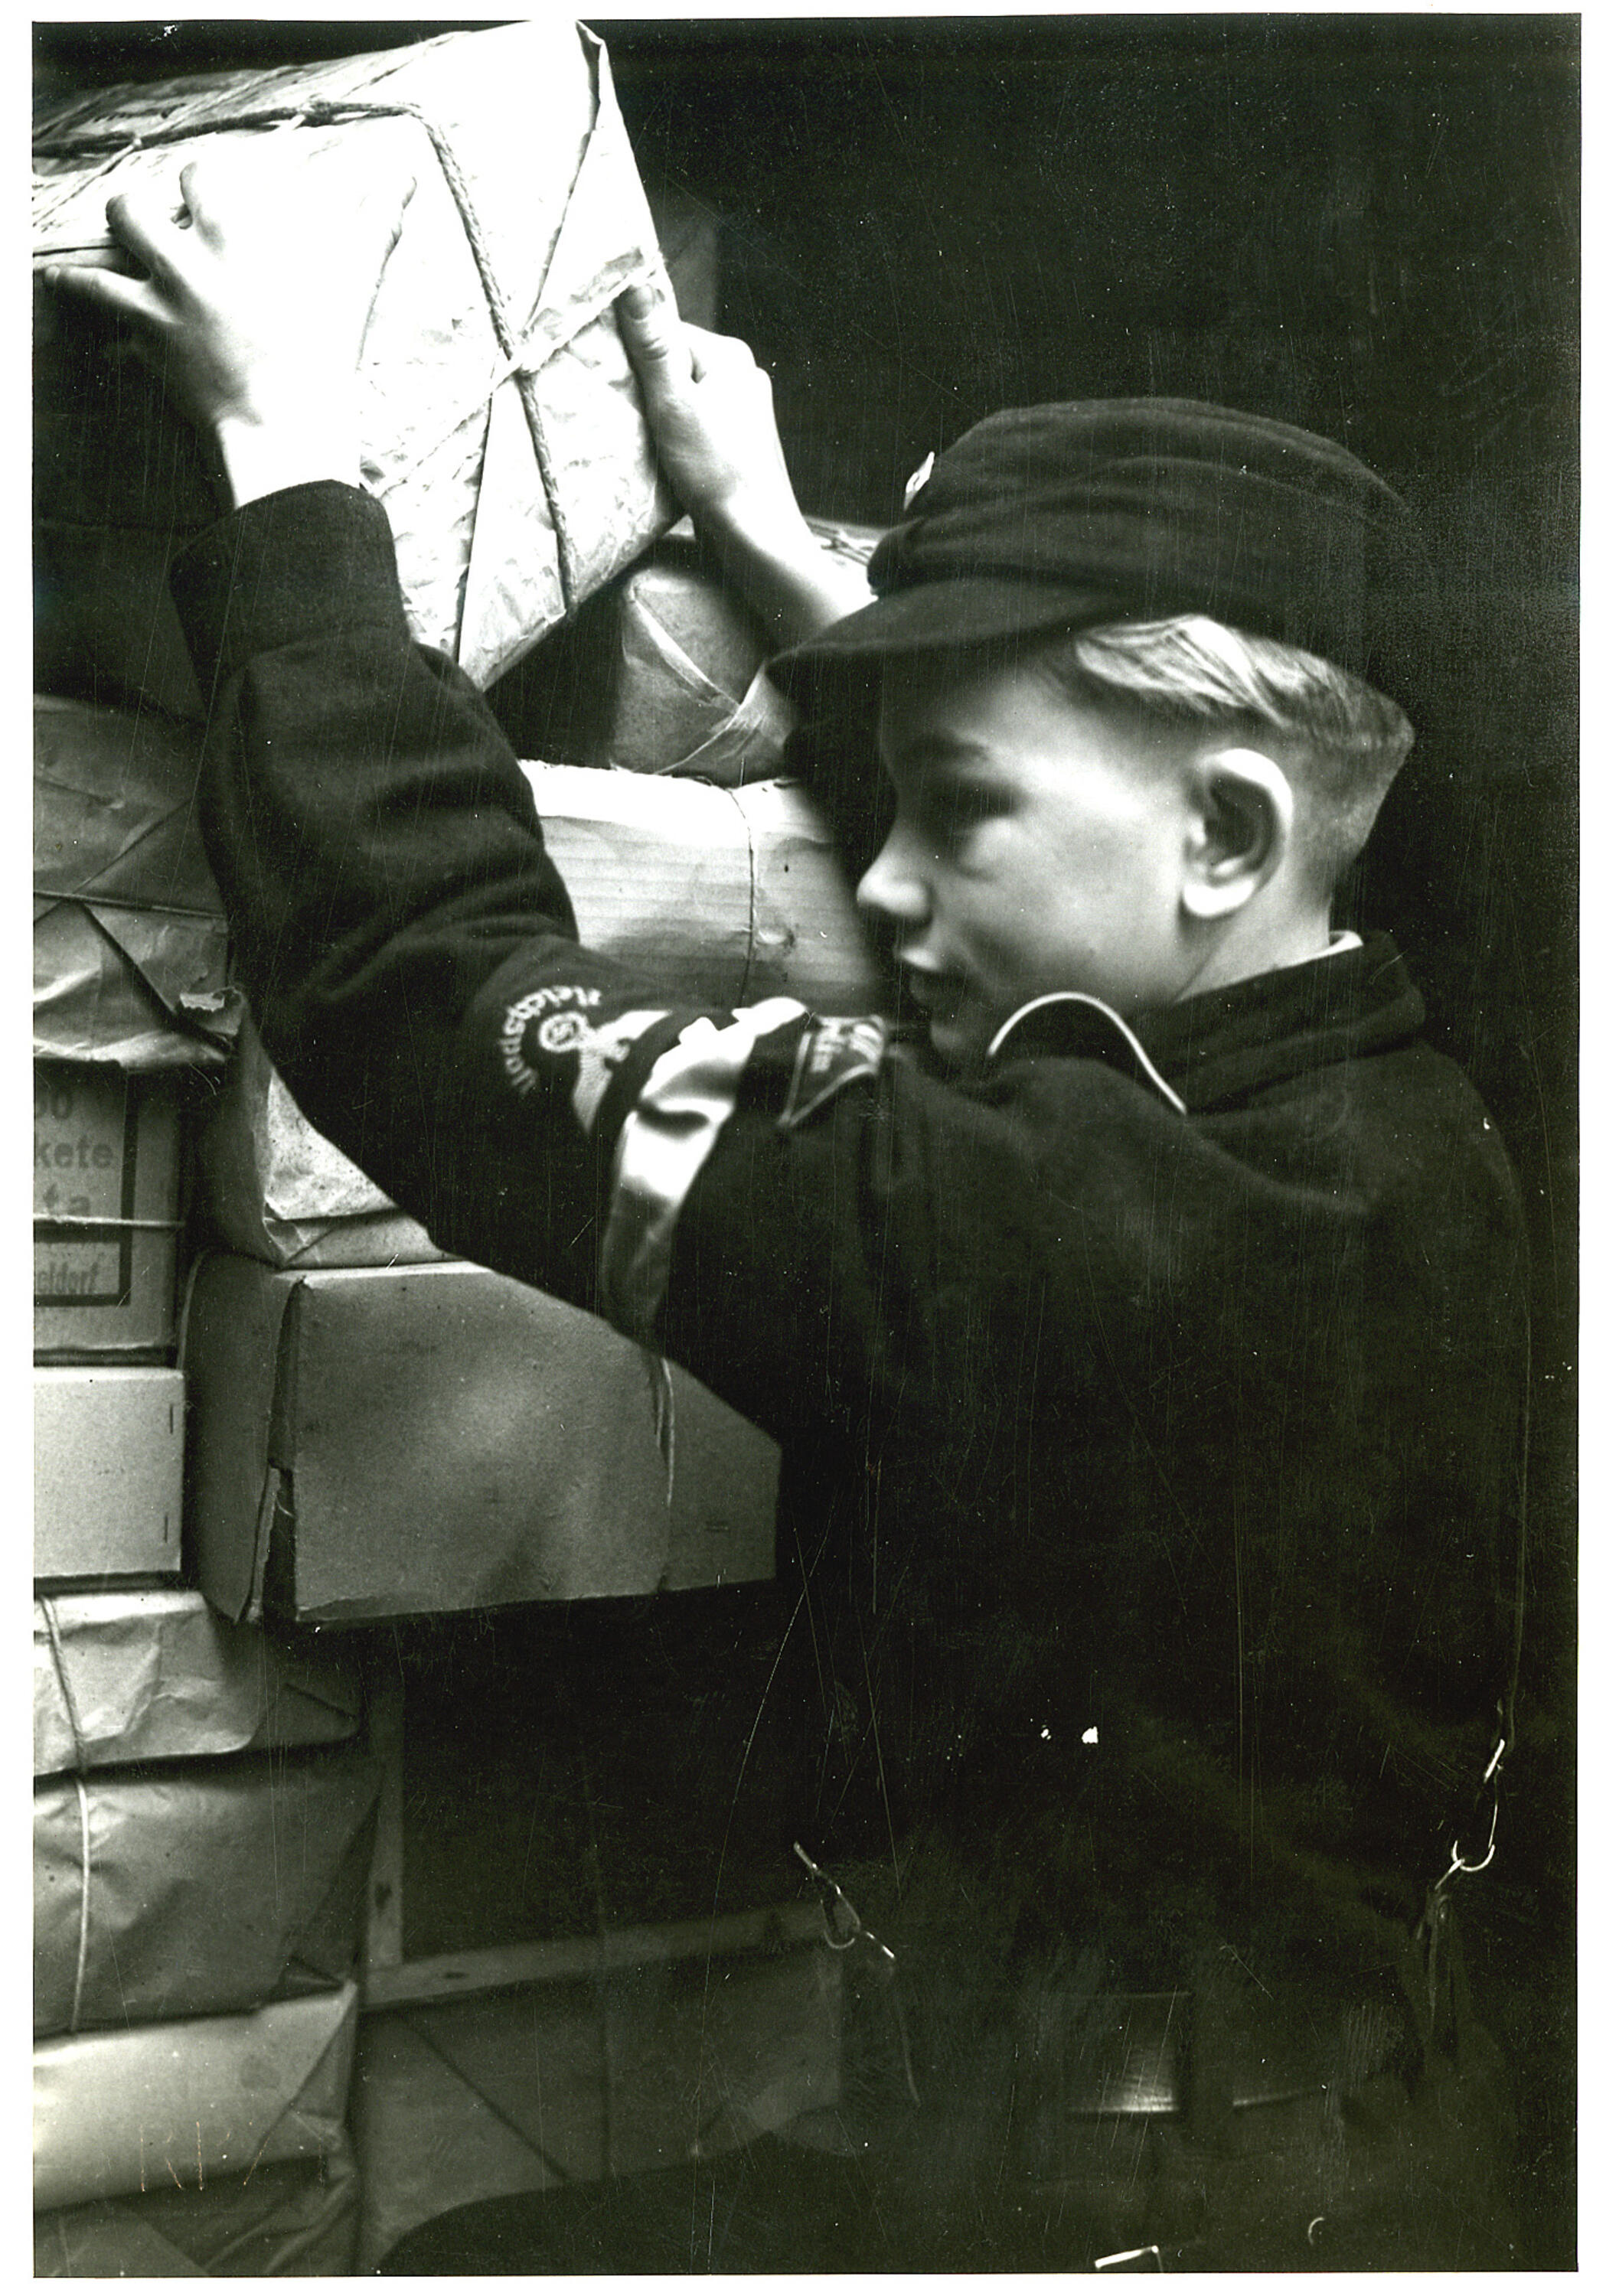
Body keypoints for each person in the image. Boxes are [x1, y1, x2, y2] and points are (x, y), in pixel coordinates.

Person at [49, 152, 1531, 2272]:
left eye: (957, 813)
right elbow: (1043, 928)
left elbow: (421, 995)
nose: (893, 890)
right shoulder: (1389, 1128)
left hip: (1100, 2225)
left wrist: (289, 472)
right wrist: (766, 543)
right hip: (1355, 2158)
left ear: (1221, 831)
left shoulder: (1027, 1220)